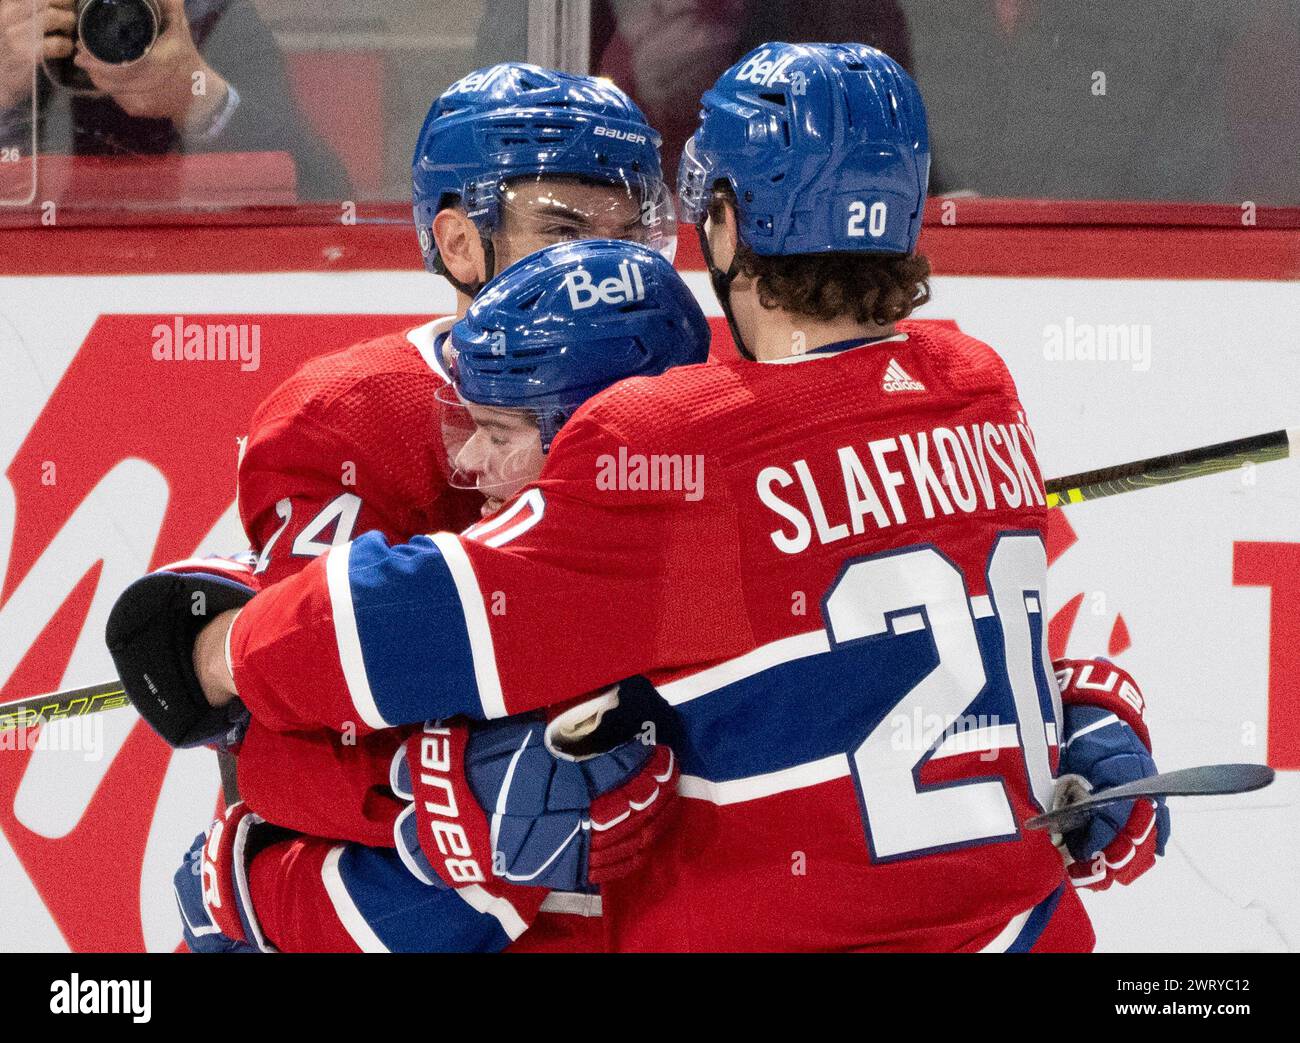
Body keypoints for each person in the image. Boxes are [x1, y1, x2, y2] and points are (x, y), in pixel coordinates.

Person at [153, 43, 1168, 951]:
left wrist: (212, 647)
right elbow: (286, 759)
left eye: (634, 224)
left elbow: (386, 627)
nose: (611, 259)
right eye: (562, 224)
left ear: (718, 220)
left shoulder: (688, 409)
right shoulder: (970, 378)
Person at [156, 237, 707, 953]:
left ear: (594, 435)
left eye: (496, 431)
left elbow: (477, 893)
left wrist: (241, 891)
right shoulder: (725, 502)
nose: (468, 463)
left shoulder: (493, 593)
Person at [0, 0, 348, 199]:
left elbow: (322, 192)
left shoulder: (214, 21)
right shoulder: (19, 21)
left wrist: (200, 94)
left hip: (189, 259)